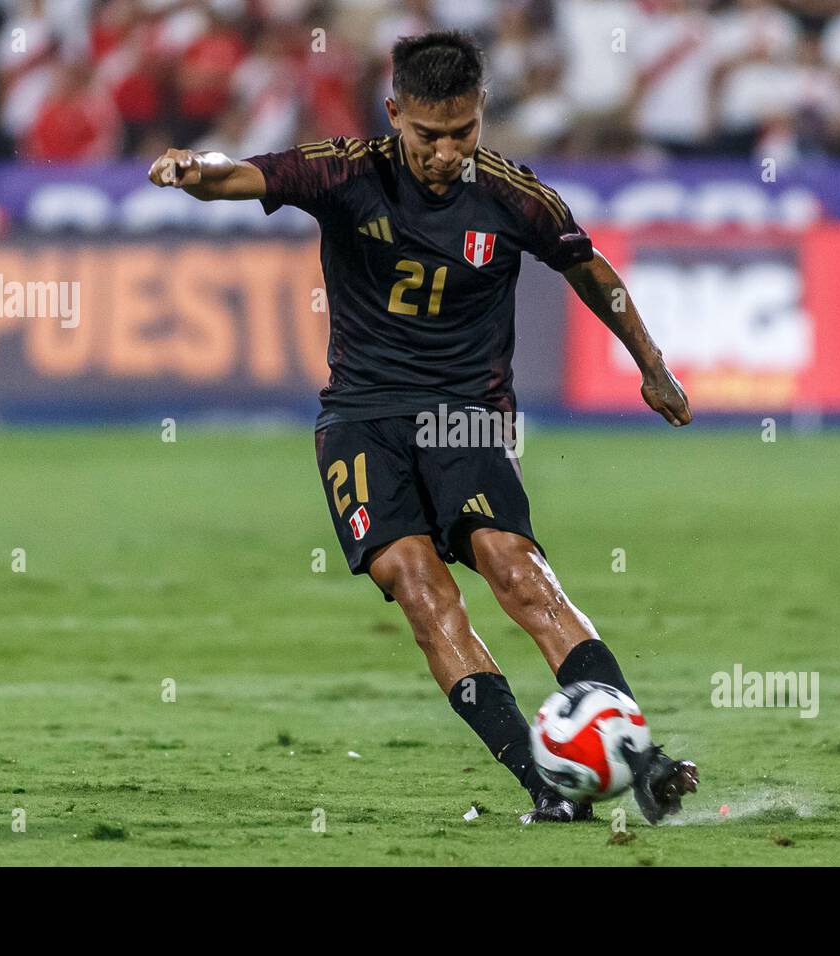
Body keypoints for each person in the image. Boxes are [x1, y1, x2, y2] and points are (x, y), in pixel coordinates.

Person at [148, 30, 697, 823]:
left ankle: (638, 759)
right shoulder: (343, 171)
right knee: (418, 586)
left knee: (517, 572)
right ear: (394, 111)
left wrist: (652, 365)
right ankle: (544, 783)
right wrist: (189, 170)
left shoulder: (515, 197)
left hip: (466, 416)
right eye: (428, 135)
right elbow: (236, 174)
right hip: (362, 419)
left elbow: (593, 272)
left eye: (463, 132)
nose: (446, 152)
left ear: (482, 113)